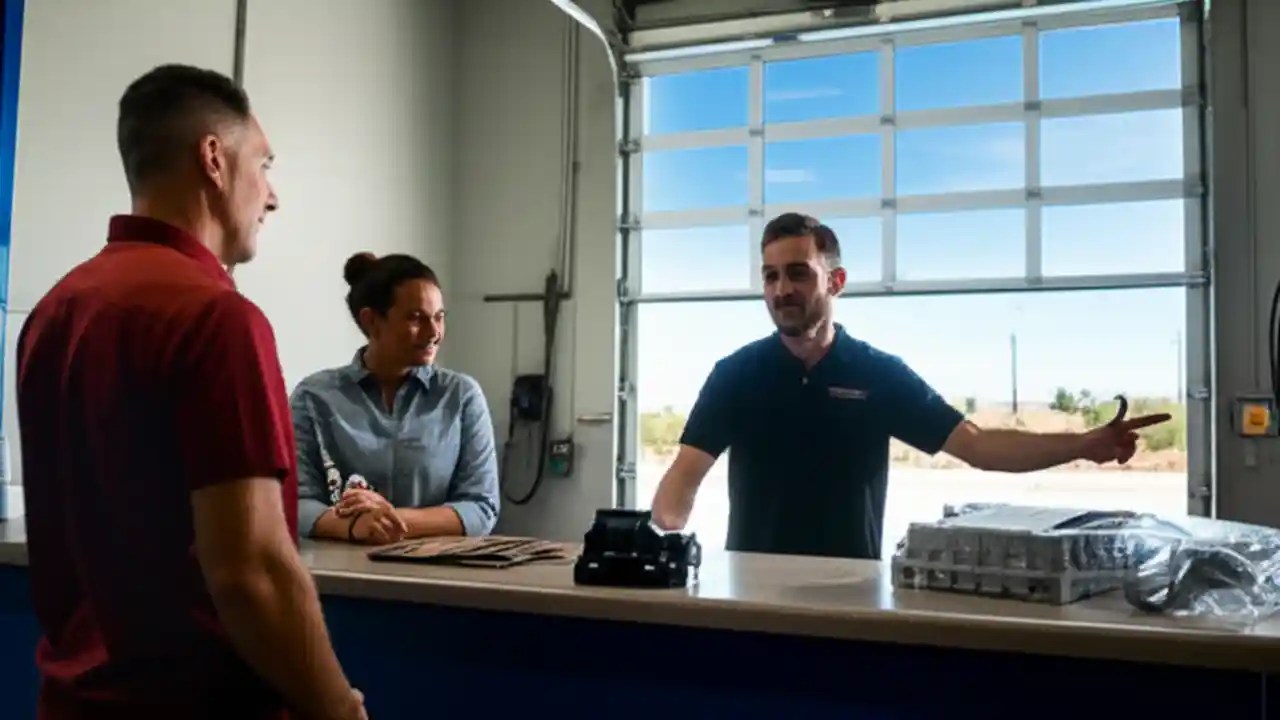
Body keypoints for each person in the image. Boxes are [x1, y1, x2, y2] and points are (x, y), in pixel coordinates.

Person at [16, 64, 365, 720]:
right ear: (213, 158)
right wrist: (338, 708)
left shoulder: (56, 310)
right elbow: (249, 570)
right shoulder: (217, 317)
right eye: (264, 163)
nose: (272, 195)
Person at [649, 212, 1171, 560]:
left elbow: (977, 445)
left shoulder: (876, 373)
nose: (782, 289)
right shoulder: (735, 374)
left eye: (798, 274)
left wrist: (1083, 444)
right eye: (769, 276)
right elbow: (685, 475)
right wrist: (665, 541)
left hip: (852, 594)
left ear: (835, 281)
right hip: (751, 589)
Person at [291, 252, 500, 544]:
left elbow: (481, 507)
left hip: (440, 580)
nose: (434, 333)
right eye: (416, 318)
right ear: (372, 321)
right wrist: (354, 526)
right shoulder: (314, 397)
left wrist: (390, 520)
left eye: (439, 317)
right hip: (341, 577)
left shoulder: (462, 396)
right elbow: (296, 504)